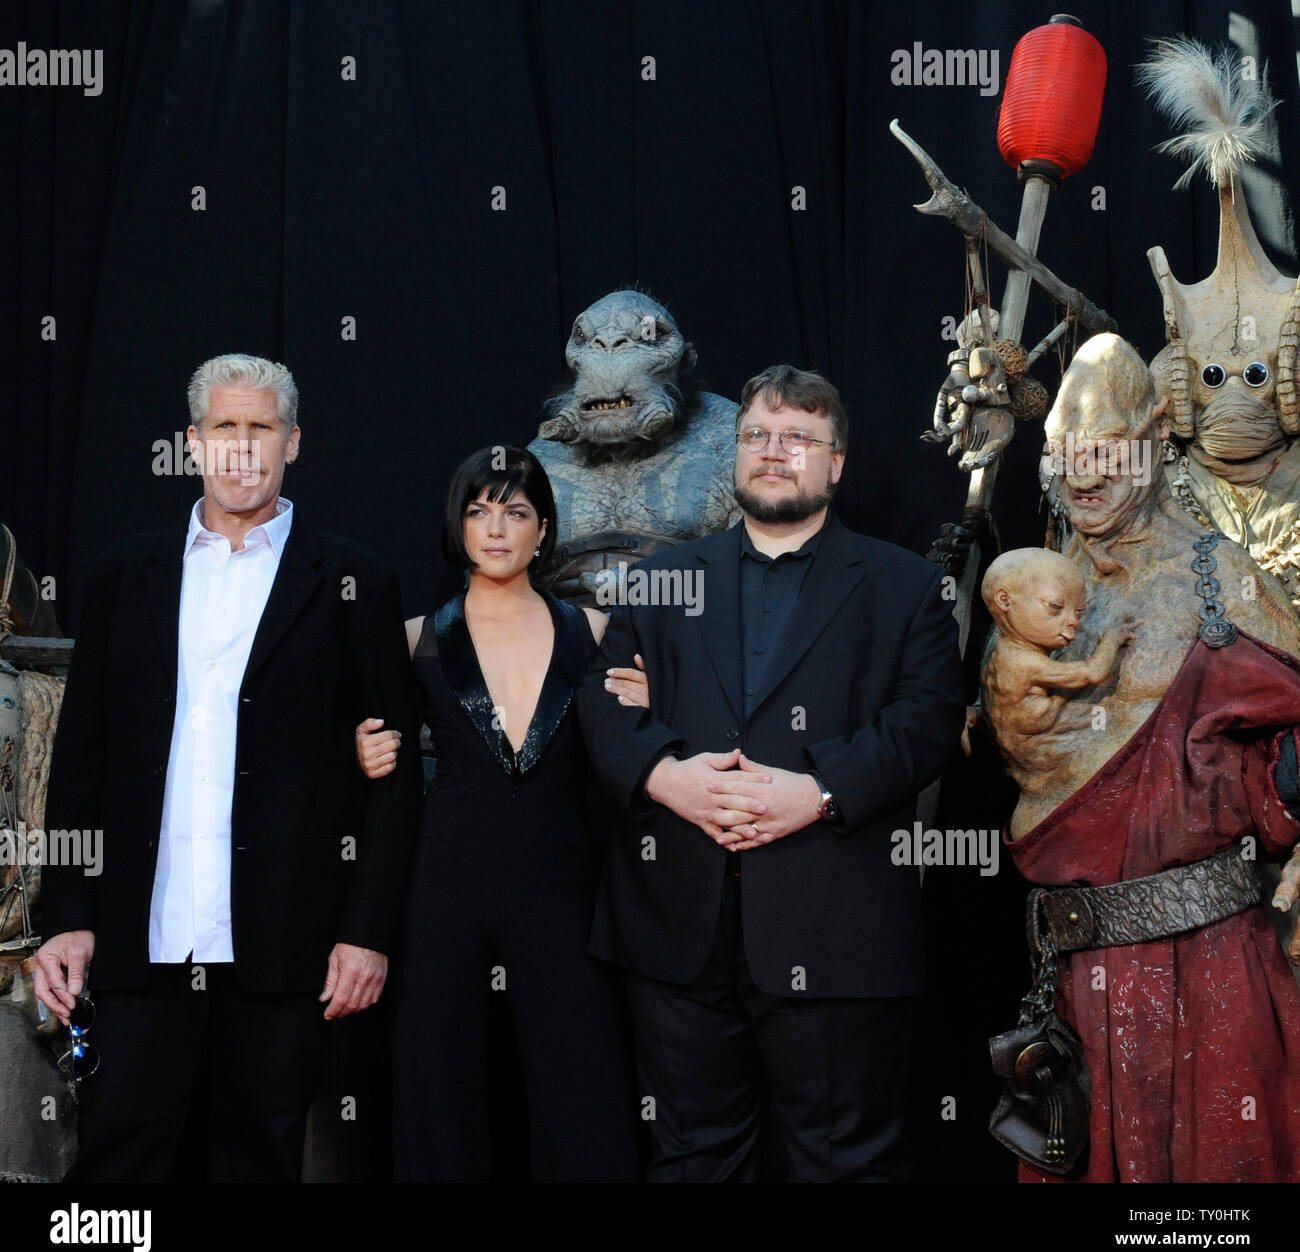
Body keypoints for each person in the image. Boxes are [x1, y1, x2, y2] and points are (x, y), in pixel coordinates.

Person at [33, 354, 422, 1182]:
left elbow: (394, 784)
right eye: (223, 428)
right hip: (143, 940)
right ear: (192, 443)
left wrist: (365, 931)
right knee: (116, 1168)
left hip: (283, 946)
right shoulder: (118, 577)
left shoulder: (357, 581)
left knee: (257, 1162)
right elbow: (79, 762)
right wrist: (64, 909)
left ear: (293, 442)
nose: (241, 448)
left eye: (260, 428)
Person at [575, 364, 967, 1181]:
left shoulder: (904, 586)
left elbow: (927, 723)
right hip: (677, 933)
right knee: (692, 1162)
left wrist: (817, 792)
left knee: (843, 1165)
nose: (773, 451)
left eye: (798, 437)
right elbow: (603, 707)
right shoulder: (658, 580)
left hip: (838, 931)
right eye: (757, 434)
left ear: (838, 462)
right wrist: (666, 774)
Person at [997, 333, 1300, 1182]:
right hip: (1078, 977)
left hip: (1214, 967)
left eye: (1103, 447)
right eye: (1064, 453)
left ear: (1156, 430)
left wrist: (1287, 800)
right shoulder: (1040, 585)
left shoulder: (1219, 578)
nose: (1082, 473)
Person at [357, 445, 640, 1181]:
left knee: (582, 1080)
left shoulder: (598, 631)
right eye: (479, 509)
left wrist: (644, 708)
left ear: (542, 529)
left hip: (564, 882)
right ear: (457, 522)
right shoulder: (414, 637)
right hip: (443, 884)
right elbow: (349, 737)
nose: (495, 526)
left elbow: (640, 748)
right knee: (435, 1081)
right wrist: (360, 744)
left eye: (515, 510)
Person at [977, 548, 1136, 836]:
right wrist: (1111, 642)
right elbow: (1092, 673)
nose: (1073, 621)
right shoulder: (1024, 662)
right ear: (1005, 601)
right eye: (1054, 607)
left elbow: (990, 699)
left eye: (1079, 612)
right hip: (1034, 746)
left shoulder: (1001, 651)